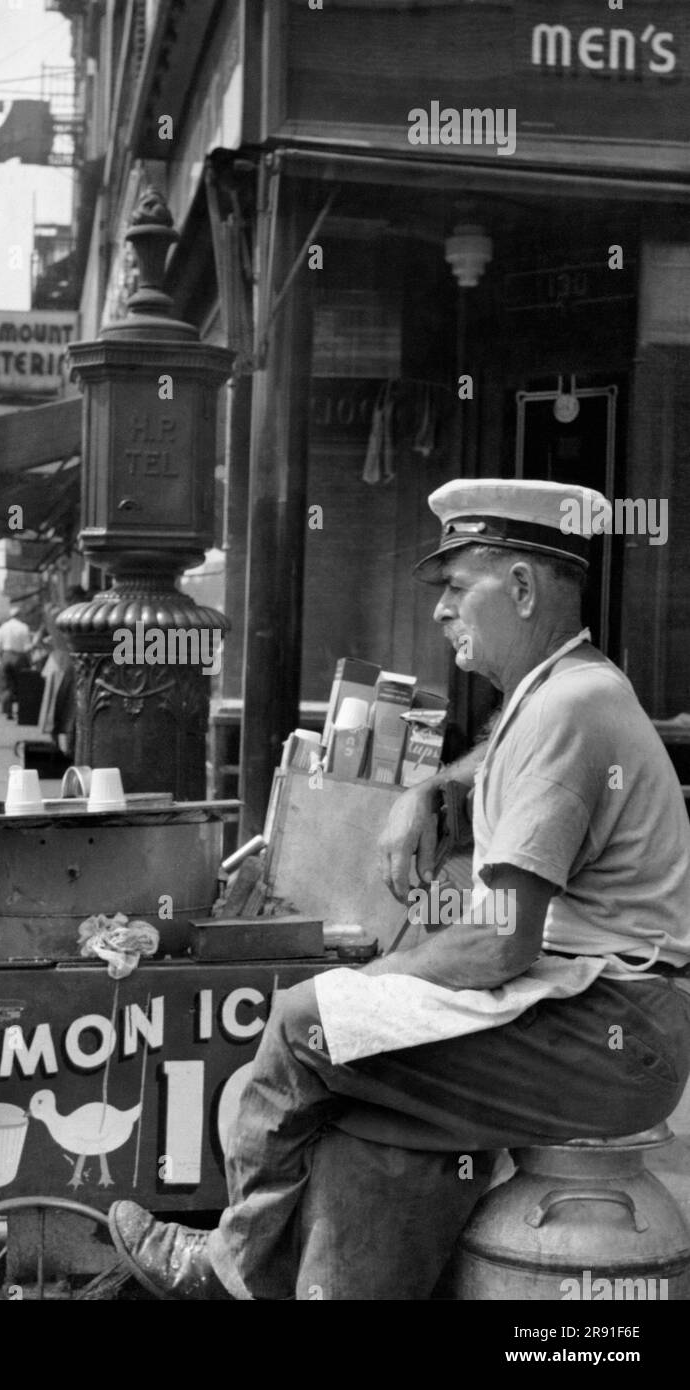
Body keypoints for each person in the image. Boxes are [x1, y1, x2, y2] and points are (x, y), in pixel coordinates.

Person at [109, 478, 690, 1301]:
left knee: (304, 1020)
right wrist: (433, 790)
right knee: (363, 1118)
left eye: (457, 587)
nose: (440, 612)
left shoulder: (570, 709)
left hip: (614, 1032)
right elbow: (499, 759)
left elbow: (499, 939)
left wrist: (367, 988)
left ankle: (228, 1267)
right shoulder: (566, 692)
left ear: (520, 588)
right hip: (599, 1020)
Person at [0, 605, 32, 721]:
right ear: (19, 615)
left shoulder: (3, 627)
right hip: (19, 658)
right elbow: (27, 647)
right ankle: (21, 712)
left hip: (6, 656)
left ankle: (7, 711)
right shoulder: (24, 627)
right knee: (21, 685)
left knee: (6, 685)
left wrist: (2, 659)